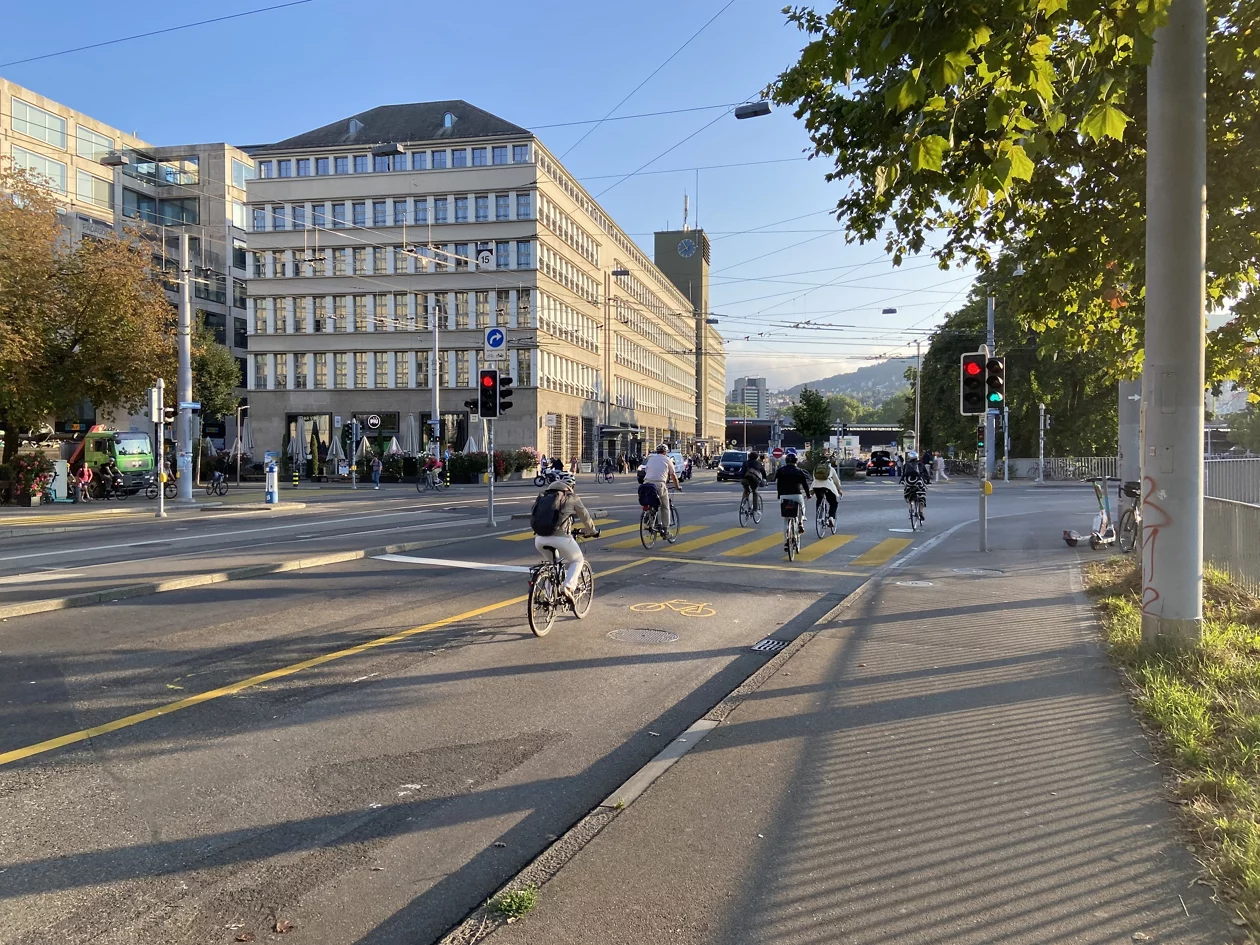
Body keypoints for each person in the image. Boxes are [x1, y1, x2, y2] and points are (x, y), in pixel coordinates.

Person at [530, 478, 600, 605]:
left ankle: (549, 596)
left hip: (539, 539)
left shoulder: (543, 497)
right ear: (569, 487)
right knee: (578, 560)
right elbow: (585, 516)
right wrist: (592, 531)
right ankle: (567, 587)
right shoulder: (571, 497)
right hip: (560, 537)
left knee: (552, 565)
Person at [775, 453, 813, 550]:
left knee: (786, 519)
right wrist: (808, 495)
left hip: (784, 495)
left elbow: (778, 484)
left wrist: (779, 495)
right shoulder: (799, 471)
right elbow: (805, 484)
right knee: (801, 506)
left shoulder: (780, 471)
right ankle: (800, 522)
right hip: (796, 494)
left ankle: (786, 541)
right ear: (796, 461)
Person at [642, 443, 682, 529]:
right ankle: (665, 528)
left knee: (650, 502)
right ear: (665, 452)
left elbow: (646, 471)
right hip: (659, 484)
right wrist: (677, 486)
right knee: (665, 506)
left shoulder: (651, 459)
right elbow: (673, 475)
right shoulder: (667, 459)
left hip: (646, 483)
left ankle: (649, 516)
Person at [812, 455, 843, 527]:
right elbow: (836, 481)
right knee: (833, 502)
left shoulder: (816, 468)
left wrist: (811, 492)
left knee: (819, 500)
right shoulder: (831, 469)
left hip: (816, 487)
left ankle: (819, 517)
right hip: (827, 487)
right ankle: (831, 517)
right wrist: (839, 489)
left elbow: (814, 479)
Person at [900, 449, 930, 521]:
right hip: (918, 483)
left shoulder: (905, 465)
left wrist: (903, 482)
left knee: (908, 495)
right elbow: (926, 475)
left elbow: (903, 475)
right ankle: (921, 512)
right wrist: (927, 481)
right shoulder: (920, 464)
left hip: (908, 484)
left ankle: (911, 508)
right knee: (922, 496)